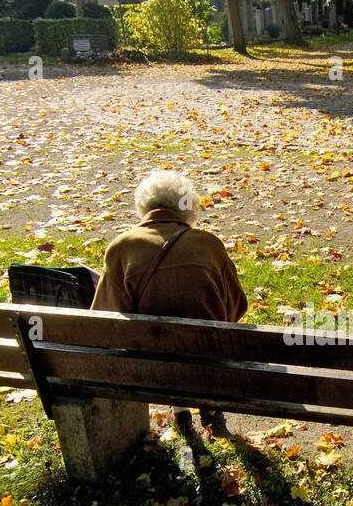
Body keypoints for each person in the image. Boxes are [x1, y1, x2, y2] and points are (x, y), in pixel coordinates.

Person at [91, 170, 247, 437]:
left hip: (149, 370)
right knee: (194, 340)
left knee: (161, 343)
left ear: (144, 207)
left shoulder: (121, 247)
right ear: (188, 208)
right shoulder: (209, 245)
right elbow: (237, 307)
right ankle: (210, 410)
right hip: (211, 363)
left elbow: (105, 318)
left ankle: (181, 413)